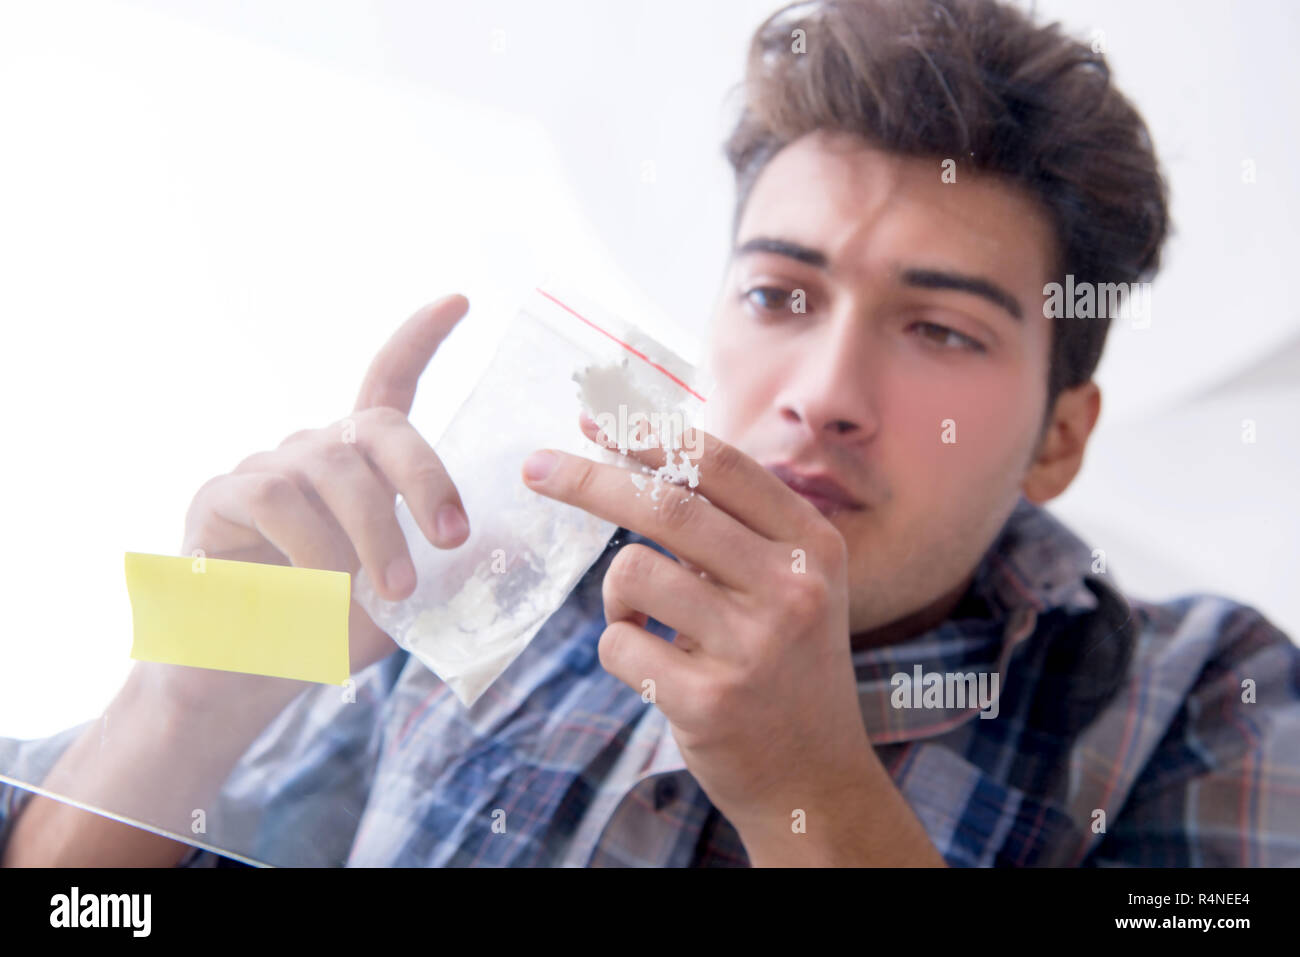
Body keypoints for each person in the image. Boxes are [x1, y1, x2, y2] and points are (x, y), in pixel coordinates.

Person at [3, 0, 1297, 867]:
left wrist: (814, 792)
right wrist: (187, 693)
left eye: (942, 331)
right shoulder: (491, 578)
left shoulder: (1204, 695)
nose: (824, 389)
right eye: (780, 296)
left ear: (1061, 434)